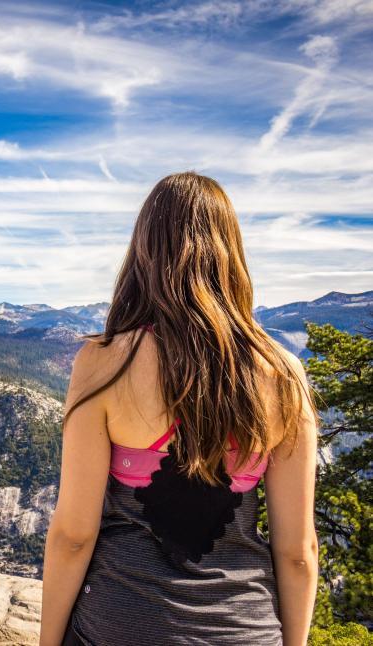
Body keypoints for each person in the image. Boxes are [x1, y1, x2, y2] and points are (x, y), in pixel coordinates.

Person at [39, 172, 320, 646]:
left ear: (144, 250)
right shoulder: (284, 375)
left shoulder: (106, 362)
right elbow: (298, 552)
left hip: (118, 626)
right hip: (243, 630)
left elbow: (73, 536)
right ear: (230, 252)